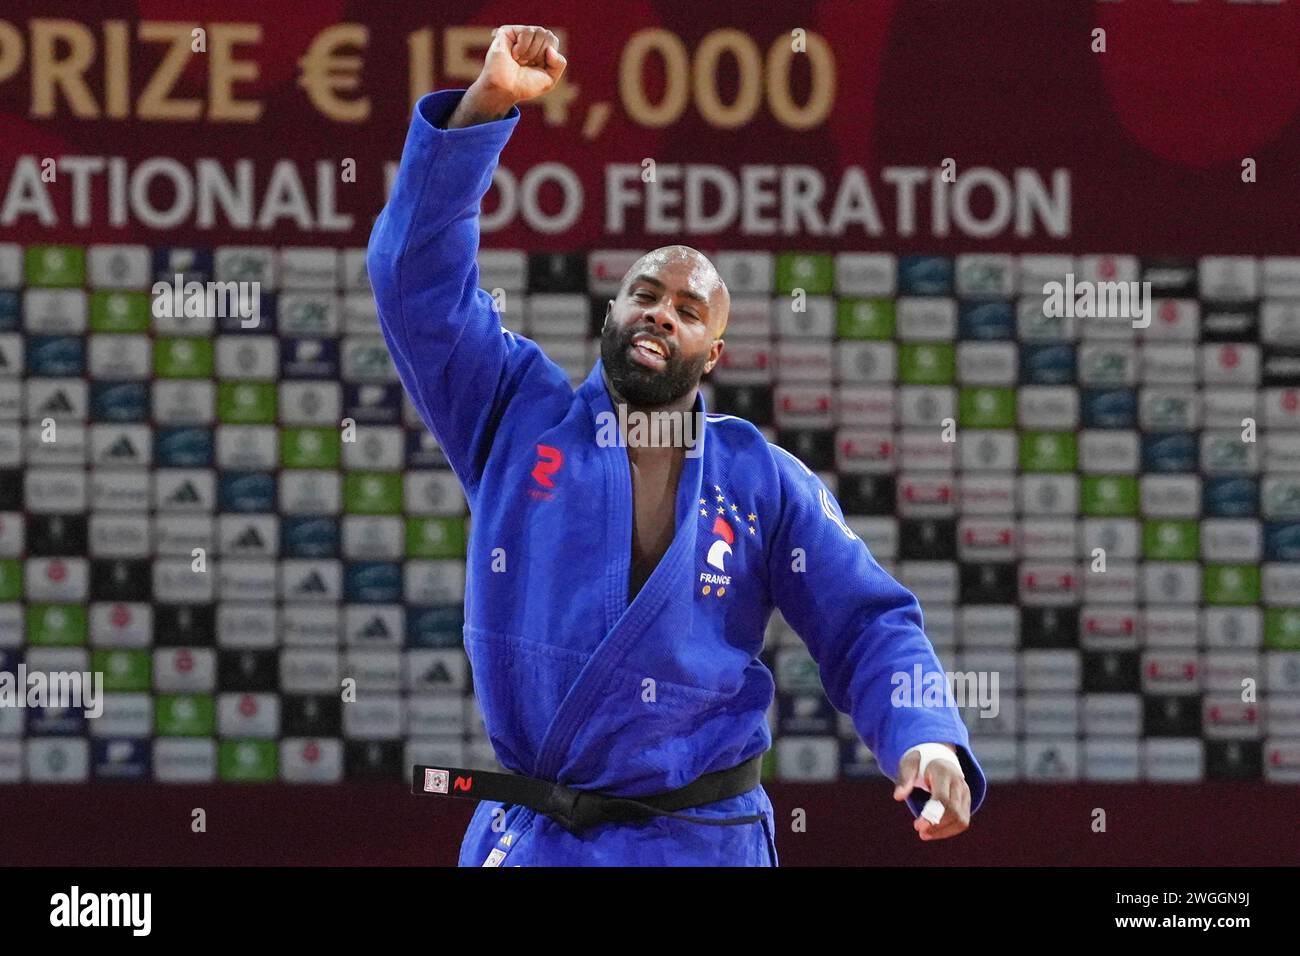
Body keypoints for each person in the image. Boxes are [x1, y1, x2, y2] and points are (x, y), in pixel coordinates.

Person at [368, 24, 986, 866]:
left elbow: (869, 620)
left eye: (689, 310)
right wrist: (487, 107)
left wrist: (926, 738)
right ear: (611, 316)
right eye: (644, 294)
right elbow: (416, 283)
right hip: (539, 838)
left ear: (712, 354)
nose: (662, 311)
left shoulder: (762, 481)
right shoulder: (513, 414)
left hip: (697, 843)